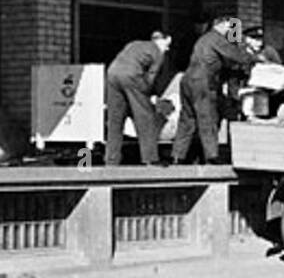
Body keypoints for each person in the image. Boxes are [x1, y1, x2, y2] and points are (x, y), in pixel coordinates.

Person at [174, 16, 256, 165]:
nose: (230, 31)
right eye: (229, 27)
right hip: (202, 80)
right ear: (222, 24)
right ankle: (211, 156)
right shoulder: (217, 38)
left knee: (187, 119)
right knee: (207, 117)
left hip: (187, 80)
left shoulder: (205, 39)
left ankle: (177, 156)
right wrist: (253, 56)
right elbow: (236, 56)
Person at [104, 31, 173, 166]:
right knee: (146, 118)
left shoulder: (134, 44)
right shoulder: (157, 52)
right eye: (167, 45)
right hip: (132, 75)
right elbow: (150, 78)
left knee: (115, 120)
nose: (168, 49)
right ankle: (150, 159)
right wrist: (149, 98)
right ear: (163, 41)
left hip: (112, 74)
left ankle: (111, 160)